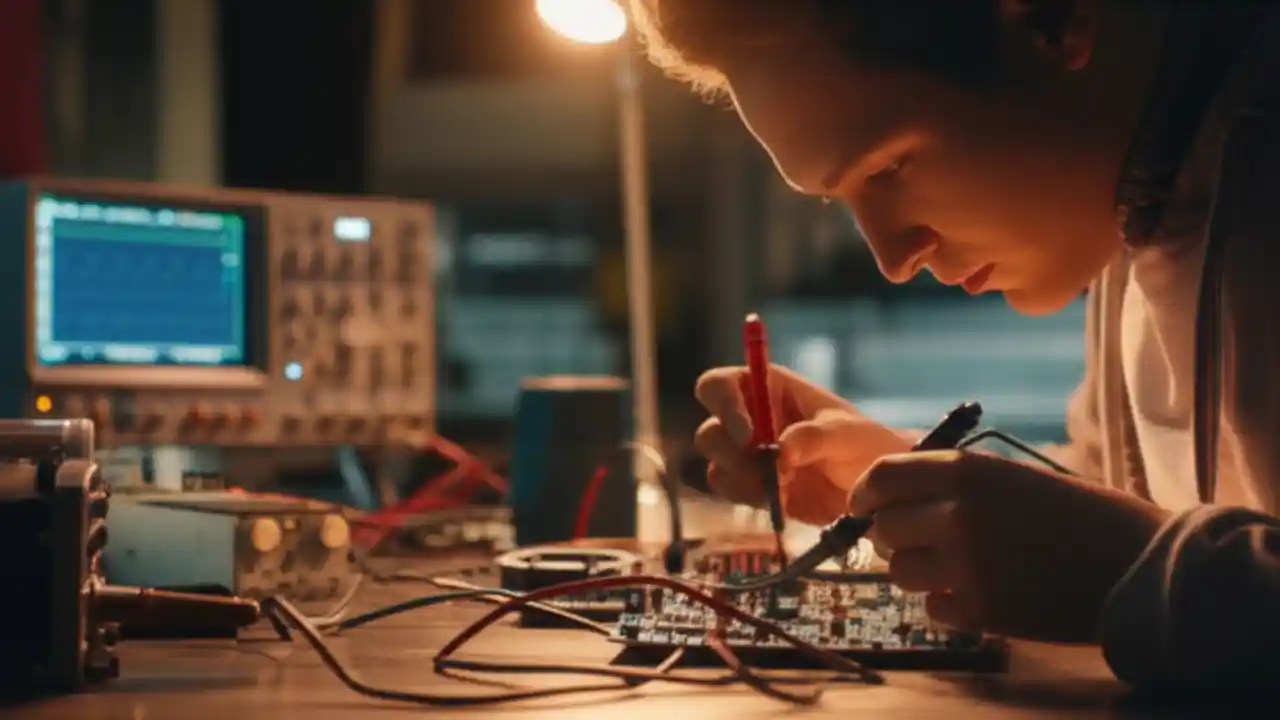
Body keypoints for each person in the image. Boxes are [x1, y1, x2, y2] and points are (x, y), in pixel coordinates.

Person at [630, 0, 1280, 690]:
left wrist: (1138, 574)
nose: (892, 259)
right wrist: (901, 481)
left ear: (1052, 20)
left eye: (887, 168)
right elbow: (1146, 509)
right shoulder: (1138, 188)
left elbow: (1151, 551)